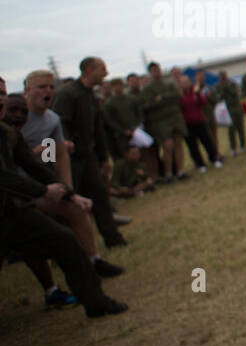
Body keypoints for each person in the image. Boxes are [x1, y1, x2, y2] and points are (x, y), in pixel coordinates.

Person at [1, 94, 127, 318]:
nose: (6, 107)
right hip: (13, 207)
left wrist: (70, 195)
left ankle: (95, 302)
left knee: (65, 240)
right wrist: (43, 191)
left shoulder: (8, 133)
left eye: (2, 94)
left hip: (11, 212)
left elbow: (34, 167)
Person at [52, 57, 127, 246]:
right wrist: (64, 150)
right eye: (102, 69)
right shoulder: (68, 94)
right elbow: (58, 125)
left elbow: (97, 130)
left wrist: (103, 158)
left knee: (100, 198)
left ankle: (113, 239)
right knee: (67, 203)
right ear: (88, 70)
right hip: (70, 160)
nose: (106, 73)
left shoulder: (90, 96)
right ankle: (64, 247)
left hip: (88, 156)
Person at [141, 62, 187, 183]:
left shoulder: (169, 84)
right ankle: (168, 173)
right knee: (167, 146)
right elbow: (148, 104)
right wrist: (164, 99)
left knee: (178, 143)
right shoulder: (148, 89)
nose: (157, 72)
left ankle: (181, 171)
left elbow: (177, 95)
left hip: (175, 118)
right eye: (154, 70)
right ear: (150, 73)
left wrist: (161, 97)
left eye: (158, 69)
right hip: (160, 121)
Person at [178, 73, 222, 170]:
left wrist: (197, 93)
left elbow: (203, 102)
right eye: (183, 82)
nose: (185, 84)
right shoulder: (179, 96)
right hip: (187, 124)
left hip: (200, 121)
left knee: (207, 141)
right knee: (193, 145)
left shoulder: (195, 92)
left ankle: (214, 159)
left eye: (187, 81)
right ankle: (200, 164)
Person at [213, 70, 246, 155]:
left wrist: (226, 87)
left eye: (224, 75)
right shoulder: (217, 86)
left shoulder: (232, 84)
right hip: (227, 110)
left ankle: (243, 146)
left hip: (236, 107)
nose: (223, 77)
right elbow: (218, 97)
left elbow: (235, 92)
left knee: (240, 128)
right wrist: (222, 89)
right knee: (231, 130)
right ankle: (233, 148)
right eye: (221, 76)